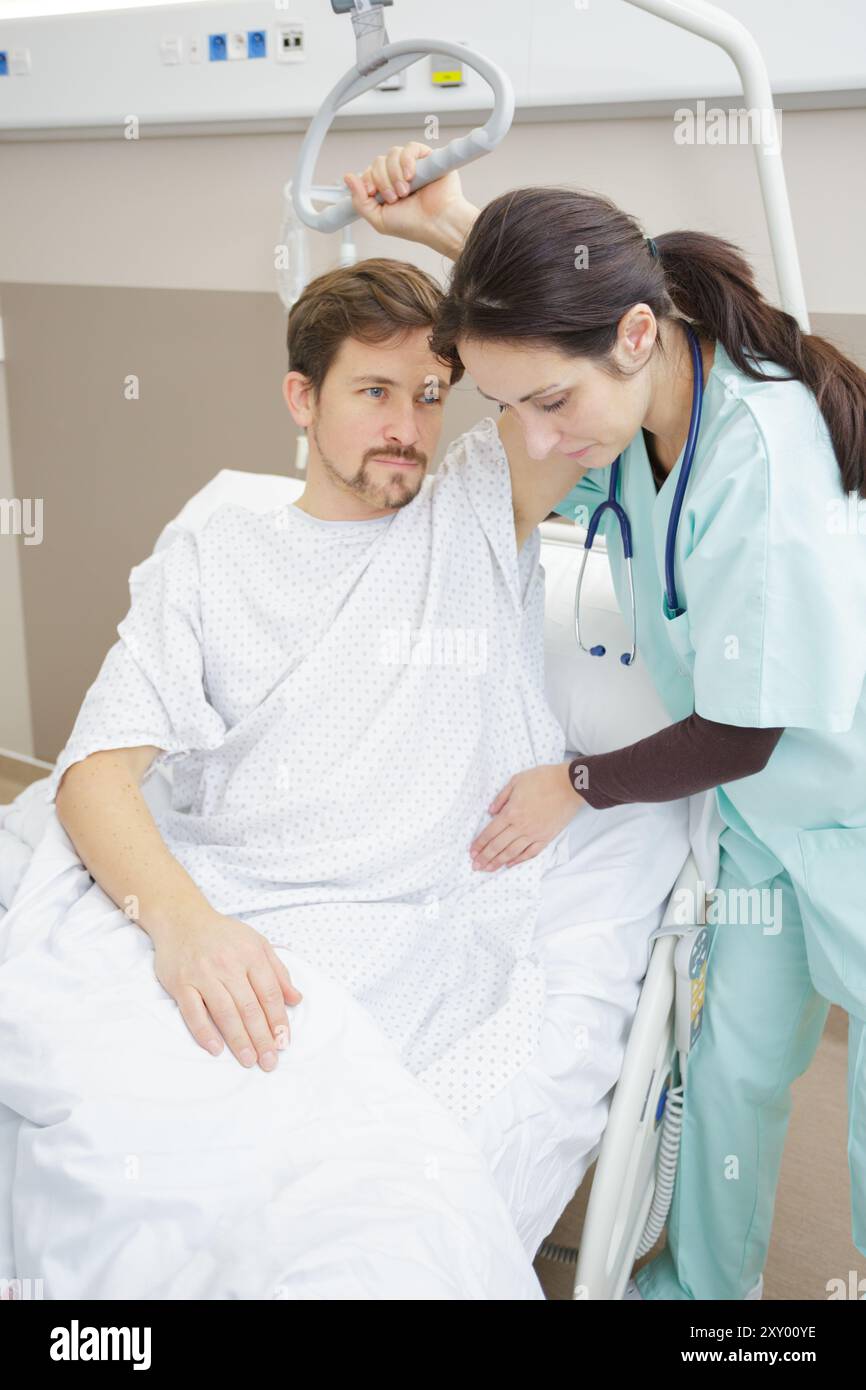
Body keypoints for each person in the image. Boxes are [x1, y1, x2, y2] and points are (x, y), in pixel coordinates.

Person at [30, 256, 688, 1292]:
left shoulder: (474, 504)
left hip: (396, 923)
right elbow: (93, 775)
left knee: (288, 1198)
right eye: (372, 392)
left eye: (429, 394)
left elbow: (600, 345)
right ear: (302, 398)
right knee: (92, 1134)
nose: (408, 426)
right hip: (226, 900)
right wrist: (184, 924)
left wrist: (445, 224)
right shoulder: (215, 551)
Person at [343, 143, 866, 1300]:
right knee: (727, 1069)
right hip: (763, 822)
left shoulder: (761, 457)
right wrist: (445, 227)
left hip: (842, 796)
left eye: (549, 405)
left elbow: (741, 733)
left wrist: (570, 784)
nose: (535, 439)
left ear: (633, 341)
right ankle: (697, 1299)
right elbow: (563, 310)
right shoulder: (639, 373)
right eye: (507, 407)